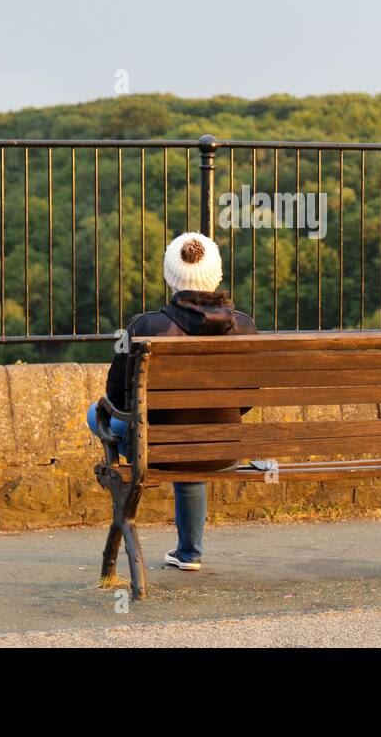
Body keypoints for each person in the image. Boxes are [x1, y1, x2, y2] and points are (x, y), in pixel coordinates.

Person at [86, 231, 256, 571]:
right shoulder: (245, 327)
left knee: (97, 414)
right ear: (217, 274)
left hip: (160, 447)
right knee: (188, 439)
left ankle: (134, 528)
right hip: (221, 448)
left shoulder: (145, 326)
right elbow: (247, 400)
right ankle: (189, 553)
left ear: (170, 277)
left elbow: (119, 398)